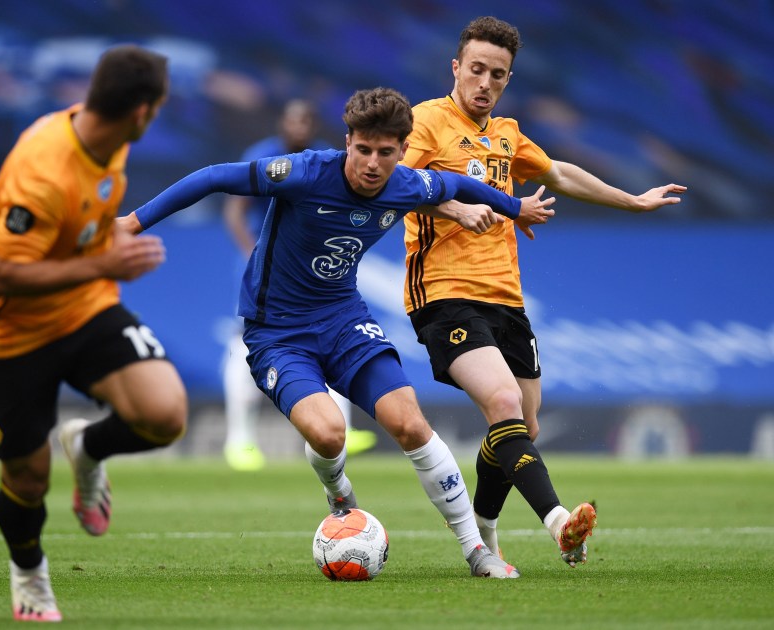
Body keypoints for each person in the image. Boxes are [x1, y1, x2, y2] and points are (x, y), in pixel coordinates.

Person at [120, 87, 556, 578]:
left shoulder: (407, 184)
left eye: (385, 153)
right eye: (363, 149)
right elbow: (213, 178)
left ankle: (478, 553)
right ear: (348, 141)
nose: (372, 163)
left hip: (345, 320)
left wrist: (515, 209)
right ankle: (338, 489)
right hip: (278, 332)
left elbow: (459, 187)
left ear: (400, 151)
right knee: (330, 435)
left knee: (410, 423)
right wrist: (133, 222)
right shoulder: (305, 172)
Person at [401, 16, 687, 567]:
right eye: (477, 69)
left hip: (507, 298)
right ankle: (560, 524)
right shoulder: (426, 122)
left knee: (520, 428)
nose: (485, 82)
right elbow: (398, 187)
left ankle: (482, 530)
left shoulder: (505, 133)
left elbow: (557, 172)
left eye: (498, 74)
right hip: (443, 293)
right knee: (505, 404)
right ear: (456, 68)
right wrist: (459, 207)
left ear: (508, 80)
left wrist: (634, 200)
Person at [0, 45, 187, 622]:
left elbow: (86, 229)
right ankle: (30, 574)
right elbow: (1, 273)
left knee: (165, 414)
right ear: (141, 111)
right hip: (15, 330)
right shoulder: (42, 171)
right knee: (27, 479)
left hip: (85, 310)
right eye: (158, 106)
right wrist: (101, 266)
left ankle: (87, 447)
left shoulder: (109, 142)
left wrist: (102, 257)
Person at [221, 98, 376, 471]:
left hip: (308, 274)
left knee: (327, 341)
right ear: (282, 122)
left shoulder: (321, 158)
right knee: (244, 348)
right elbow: (235, 209)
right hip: (265, 272)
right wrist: (249, 251)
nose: (300, 126)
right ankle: (239, 440)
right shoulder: (264, 155)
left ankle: (343, 428)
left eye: (307, 120)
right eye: (294, 119)